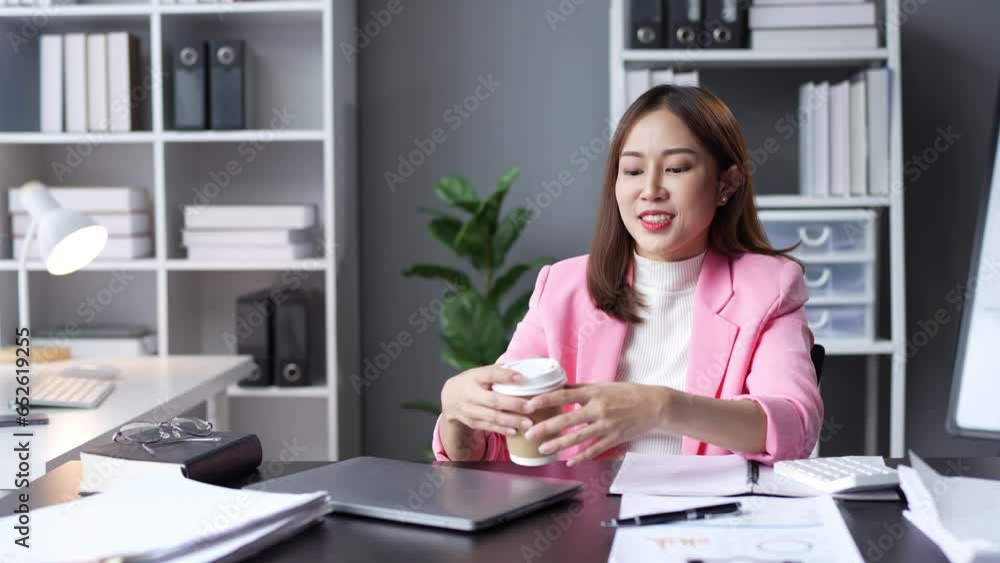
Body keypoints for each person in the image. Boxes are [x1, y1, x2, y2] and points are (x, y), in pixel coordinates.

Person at [433, 85, 823, 466]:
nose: (650, 190)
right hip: (587, 508)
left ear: (726, 184)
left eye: (676, 168)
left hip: (714, 508)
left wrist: (661, 407)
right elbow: (496, 450)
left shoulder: (769, 287)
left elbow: (795, 428)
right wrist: (457, 414)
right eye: (633, 170)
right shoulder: (563, 288)